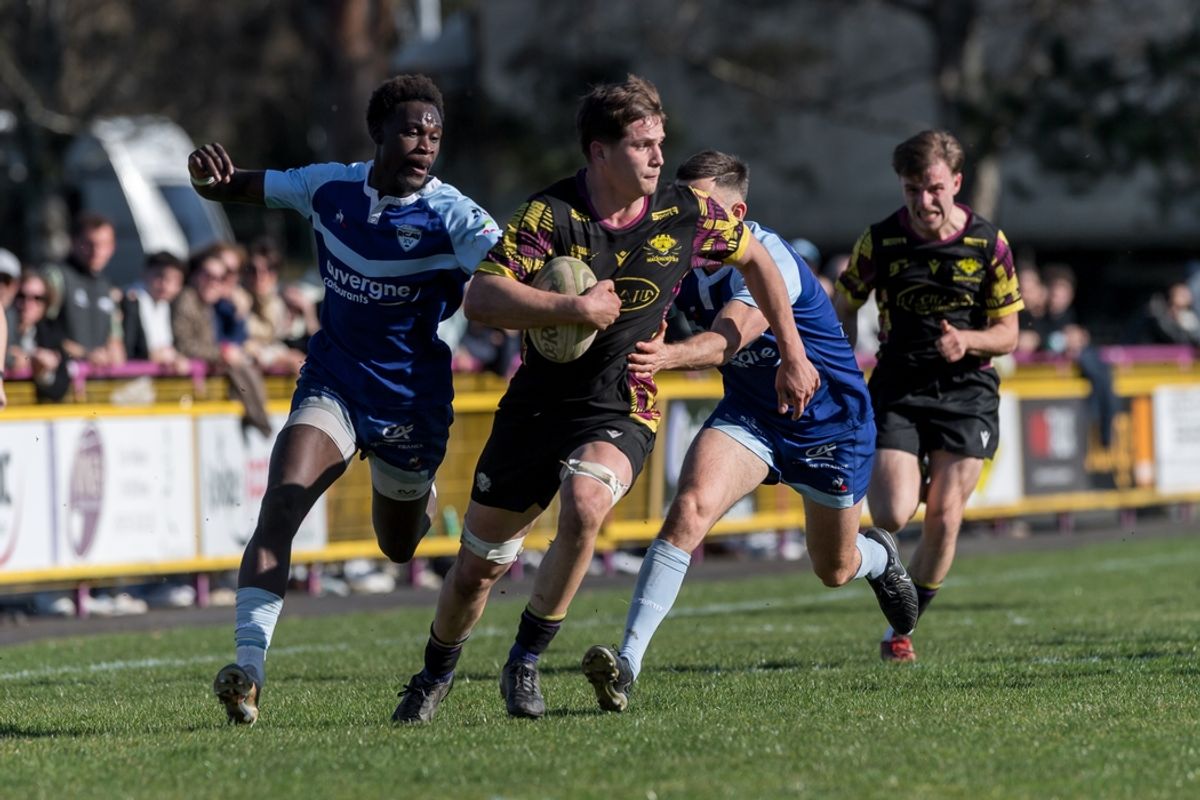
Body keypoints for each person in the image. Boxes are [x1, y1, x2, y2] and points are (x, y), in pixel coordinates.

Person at [392, 75, 816, 724]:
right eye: (642, 145)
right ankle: (435, 670)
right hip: (536, 406)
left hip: (621, 403)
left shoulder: (687, 211)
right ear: (599, 153)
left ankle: (526, 660)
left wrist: (793, 352)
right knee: (478, 569)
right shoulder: (551, 215)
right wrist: (572, 307)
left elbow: (758, 258)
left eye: (659, 143)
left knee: (586, 501)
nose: (656, 158)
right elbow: (479, 299)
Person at [186, 73, 502, 725]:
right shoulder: (328, 186)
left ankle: (420, 504)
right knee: (281, 504)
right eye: (412, 129)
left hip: (411, 403)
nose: (424, 143)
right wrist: (209, 182)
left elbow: (506, 275)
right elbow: (243, 185)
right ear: (379, 132)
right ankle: (248, 671)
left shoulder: (457, 217)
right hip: (333, 381)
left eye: (435, 134)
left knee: (397, 547)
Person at [580, 150, 918, 712]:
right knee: (689, 509)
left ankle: (877, 557)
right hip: (753, 416)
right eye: (680, 201)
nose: (686, 213)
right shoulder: (675, 251)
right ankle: (628, 663)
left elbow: (728, 339)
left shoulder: (769, 258)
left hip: (828, 423)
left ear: (737, 212)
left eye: (700, 204)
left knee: (832, 570)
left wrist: (665, 357)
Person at [833, 130, 1023, 663]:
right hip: (898, 385)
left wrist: (968, 340)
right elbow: (844, 302)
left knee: (944, 515)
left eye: (934, 188)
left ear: (956, 183)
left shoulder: (989, 244)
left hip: (968, 392)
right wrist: (841, 362)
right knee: (891, 512)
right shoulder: (881, 241)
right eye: (912, 189)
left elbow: (1008, 333)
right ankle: (890, 568)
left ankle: (901, 629)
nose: (924, 201)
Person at [44, 212, 126, 368]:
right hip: (64, 378)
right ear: (74, 242)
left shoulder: (108, 287)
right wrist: (84, 353)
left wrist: (114, 355)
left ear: (112, 247)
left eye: (104, 244)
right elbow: (44, 330)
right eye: (89, 244)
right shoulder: (56, 277)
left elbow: (115, 339)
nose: (97, 251)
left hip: (98, 384)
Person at [121, 251, 191, 373]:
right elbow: (128, 349)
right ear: (145, 272)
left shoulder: (166, 305)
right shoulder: (130, 300)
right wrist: (151, 355)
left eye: (174, 280)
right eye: (160, 276)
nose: (165, 285)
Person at [7, 269, 69, 402]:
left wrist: (43, 374)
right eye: (21, 296)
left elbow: (60, 388)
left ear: (47, 303)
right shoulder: (5, 326)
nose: (28, 304)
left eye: (37, 298)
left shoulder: (51, 335)